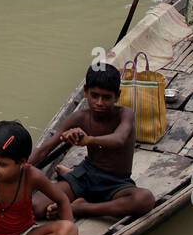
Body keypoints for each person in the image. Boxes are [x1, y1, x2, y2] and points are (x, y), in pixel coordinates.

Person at [31, 64, 155, 221]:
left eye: (106, 97)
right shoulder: (80, 117)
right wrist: (16, 169)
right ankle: (71, 179)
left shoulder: (125, 114)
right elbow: (44, 149)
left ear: (117, 96)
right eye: (94, 95)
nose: (100, 102)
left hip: (116, 183)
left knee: (145, 200)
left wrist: (89, 140)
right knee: (35, 207)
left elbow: (119, 139)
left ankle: (81, 208)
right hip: (86, 176)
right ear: (85, 92)